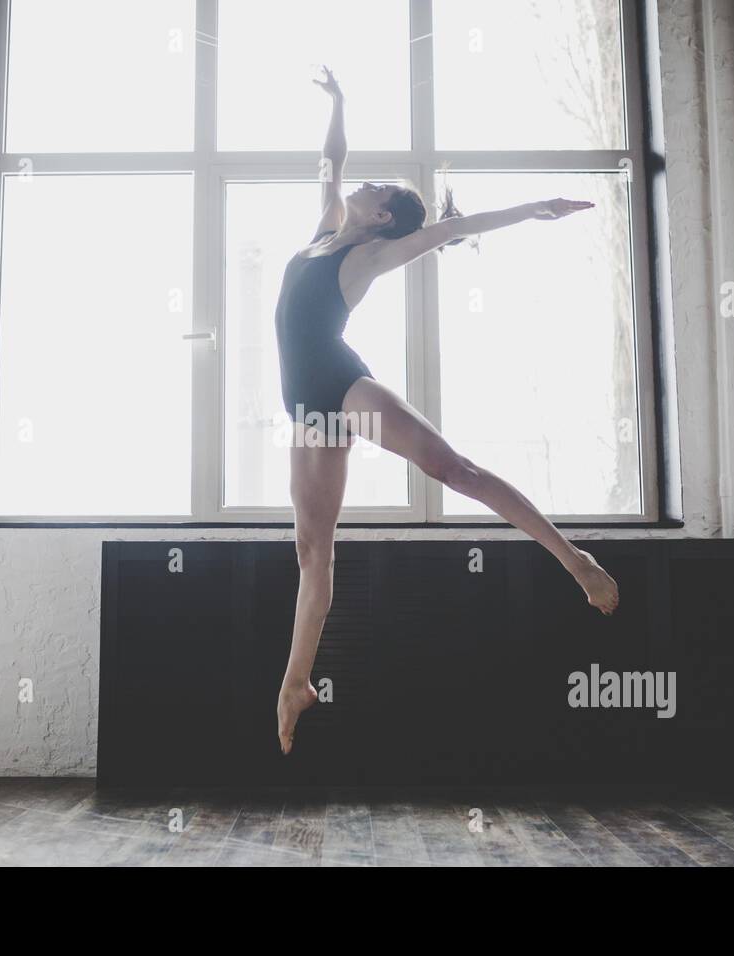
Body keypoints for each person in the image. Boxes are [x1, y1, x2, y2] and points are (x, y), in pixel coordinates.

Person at [274, 67, 619, 755]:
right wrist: (340, 101)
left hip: (342, 386)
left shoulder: (372, 253)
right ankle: (296, 683)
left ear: (381, 219)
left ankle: (573, 557)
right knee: (313, 551)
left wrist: (533, 208)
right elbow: (331, 162)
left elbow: (447, 233)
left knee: (453, 468)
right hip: (306, 410)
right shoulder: (325, 229)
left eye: (373, 193)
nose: (361, 188)